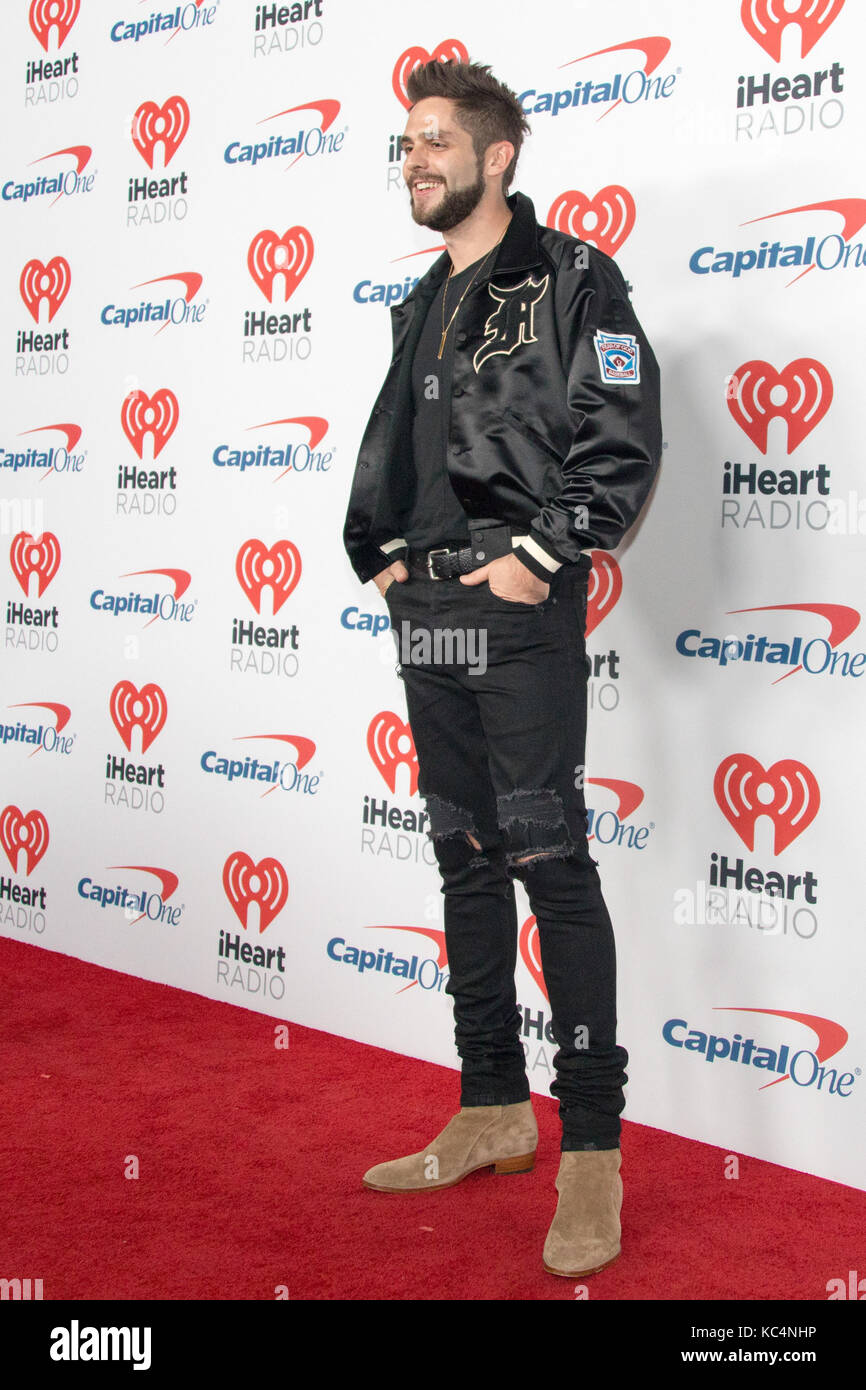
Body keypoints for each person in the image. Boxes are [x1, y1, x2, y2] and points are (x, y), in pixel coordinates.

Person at [343, 58, 661, 1278]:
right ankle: (489, 1107)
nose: (413, 160)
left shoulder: (573, 276)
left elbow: (620, 431)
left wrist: (540, 554)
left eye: (433, 141)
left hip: (515, 604)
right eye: (404, 145)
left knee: (546, 856)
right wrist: (379, 552)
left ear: (496, 155)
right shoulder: (422, 297)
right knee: (462, 851)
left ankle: (590, 1150)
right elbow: (404, 449)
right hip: (427, 602)